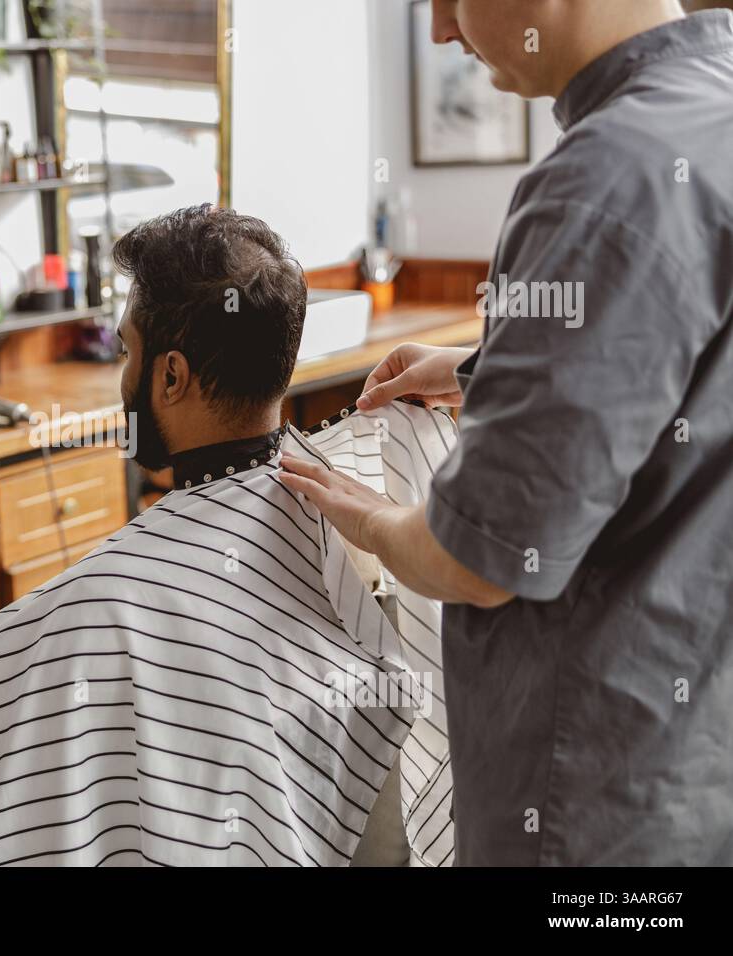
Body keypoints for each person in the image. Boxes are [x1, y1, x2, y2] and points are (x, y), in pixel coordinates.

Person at [0, 206, 455, 866]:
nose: (124, 379)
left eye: (128, 350)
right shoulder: (326, 504)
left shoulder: (109, 604)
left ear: (170, 376)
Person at [281, 1, 733, 865]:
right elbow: (677, 358)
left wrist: (374, 518)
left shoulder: (606, 174)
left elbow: (479, 563)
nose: (441, 32)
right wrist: (486, 363)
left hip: (594, 811)